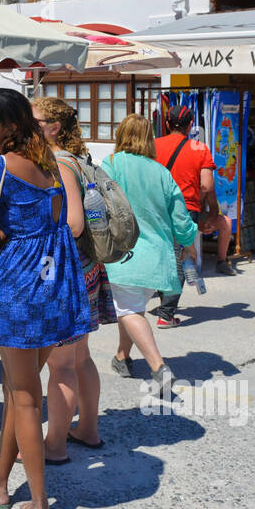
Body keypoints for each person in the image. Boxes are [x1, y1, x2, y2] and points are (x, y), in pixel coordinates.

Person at [0, 89, 89, 509]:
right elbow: (58, 218)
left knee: (26, 397)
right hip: (55, 281)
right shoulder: (52, 160)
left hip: (20, 284)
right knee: (17, 392)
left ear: (9, 126)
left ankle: (39, 503)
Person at [32, 96, 115, 458]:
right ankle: (88, 430)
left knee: (61, 365)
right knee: (80, 359)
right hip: (87, 269)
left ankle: (55, 445)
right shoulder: (78, 158)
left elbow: (75, 222)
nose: (28, 125)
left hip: (69, 274)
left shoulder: (59, 163)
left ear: (54, 127)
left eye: (34, 121)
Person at [102, 115, 198, 396]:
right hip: (157, 256)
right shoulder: (161, 172)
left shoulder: (112, 164)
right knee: (132, 308)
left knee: (129, 310)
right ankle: (122, 358)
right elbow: (181, 219)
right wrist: (189, 242)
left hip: (124, 252)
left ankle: (159, 368)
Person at [151, 105, 231, 330]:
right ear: (189, 125)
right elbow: (206, 184)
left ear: (166, 124)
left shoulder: (153, 146)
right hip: (186, 209)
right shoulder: (200, 148)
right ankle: (166, 314)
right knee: (183, 257)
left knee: (162, 257)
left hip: (156, 208)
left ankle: (162, 303)